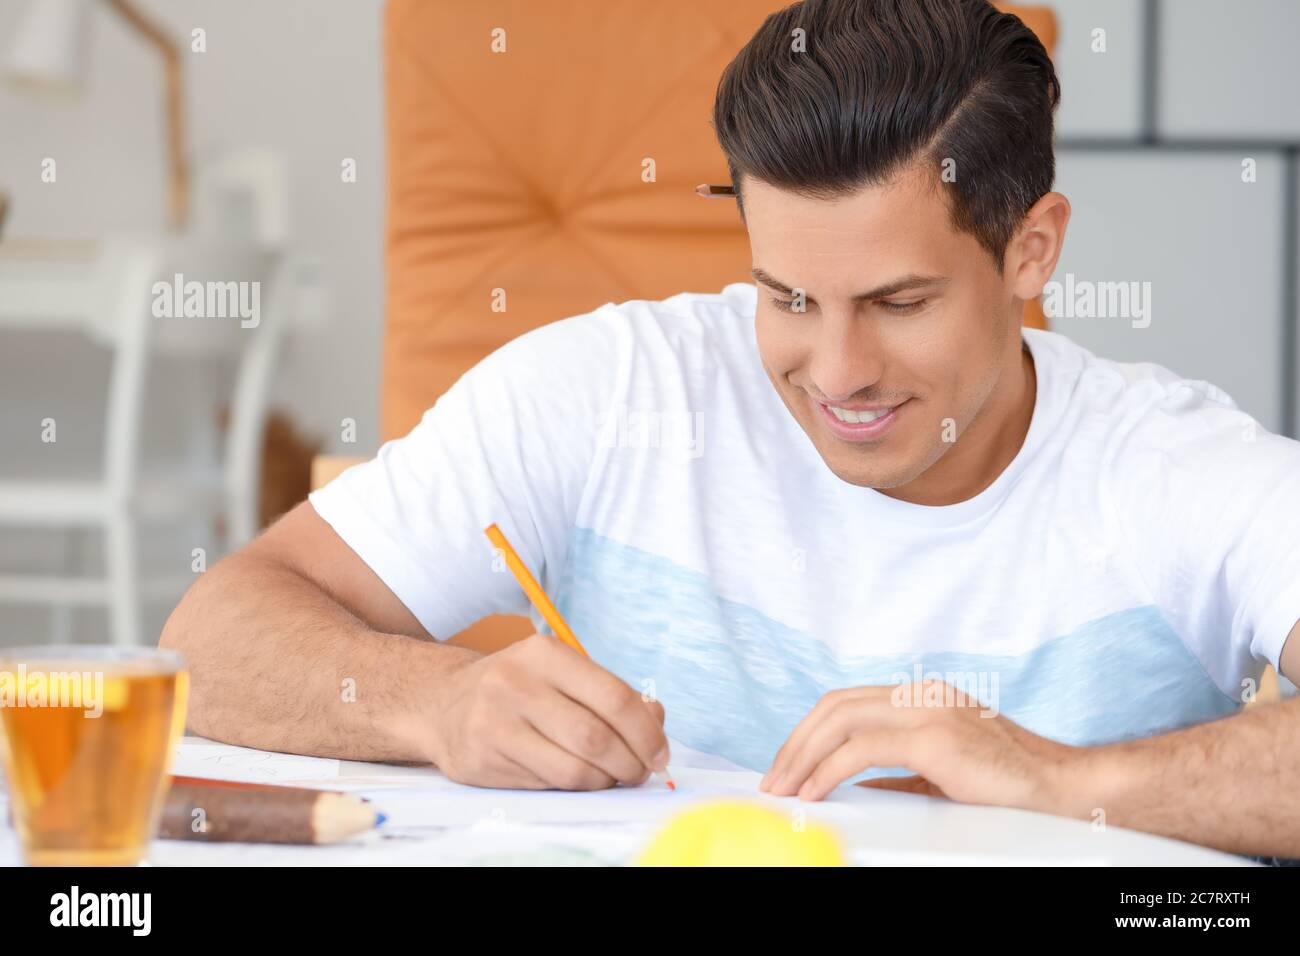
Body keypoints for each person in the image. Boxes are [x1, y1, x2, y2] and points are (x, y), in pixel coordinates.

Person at [162, 0, 1300, 858]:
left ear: (1030, 249)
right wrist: (437, 699)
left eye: (898, 303)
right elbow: (211, 635)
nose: (839, 373)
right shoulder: (612, 386)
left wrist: (1048, 776)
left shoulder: (1169, 465)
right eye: (788, 297)